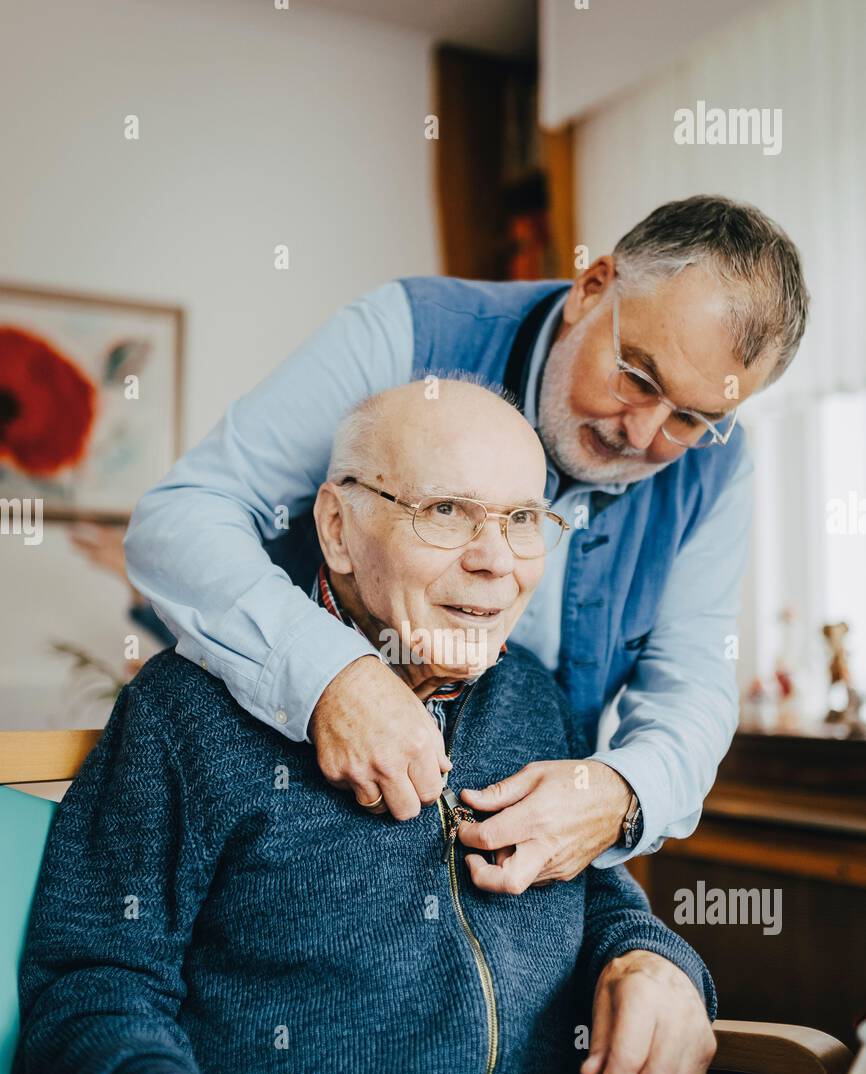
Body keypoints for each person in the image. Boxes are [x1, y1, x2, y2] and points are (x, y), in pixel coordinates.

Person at [14, 381, 774, 1074]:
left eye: (524, 518)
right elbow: (92, 977)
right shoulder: (185, 712)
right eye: (447, 512)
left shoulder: (528, 693)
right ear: (336, 528)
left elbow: (590, 886)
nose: (497, 564)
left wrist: (649, 960)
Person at [123, 195, 809, 891]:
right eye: (636, 376)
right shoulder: (404, 333)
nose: (640, 434)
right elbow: (182, 517)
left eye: (690, 418)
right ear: (592, 287)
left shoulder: (718, 469)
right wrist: (328, 675)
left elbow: (692, 680)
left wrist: (623, 794)